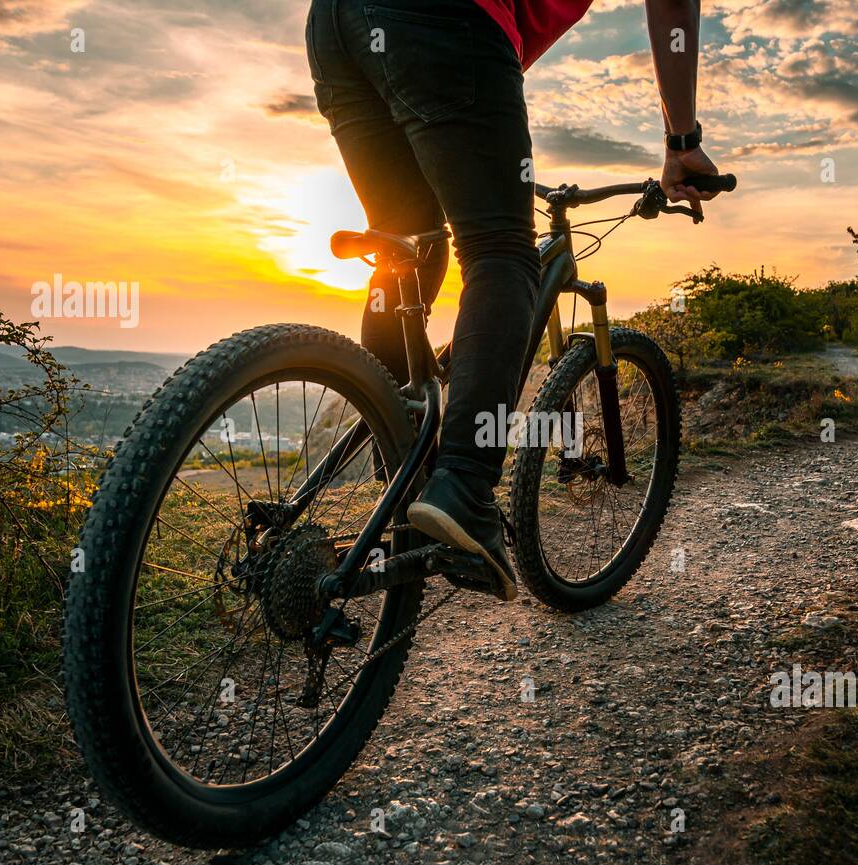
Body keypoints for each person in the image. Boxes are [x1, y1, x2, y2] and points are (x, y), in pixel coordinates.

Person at [305, 0, 721, 600]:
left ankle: (399, 468)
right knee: (501, 251)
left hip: (338, 25)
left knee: (412, 244)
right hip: (443, 22)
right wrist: (681, 139)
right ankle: (464, 489)